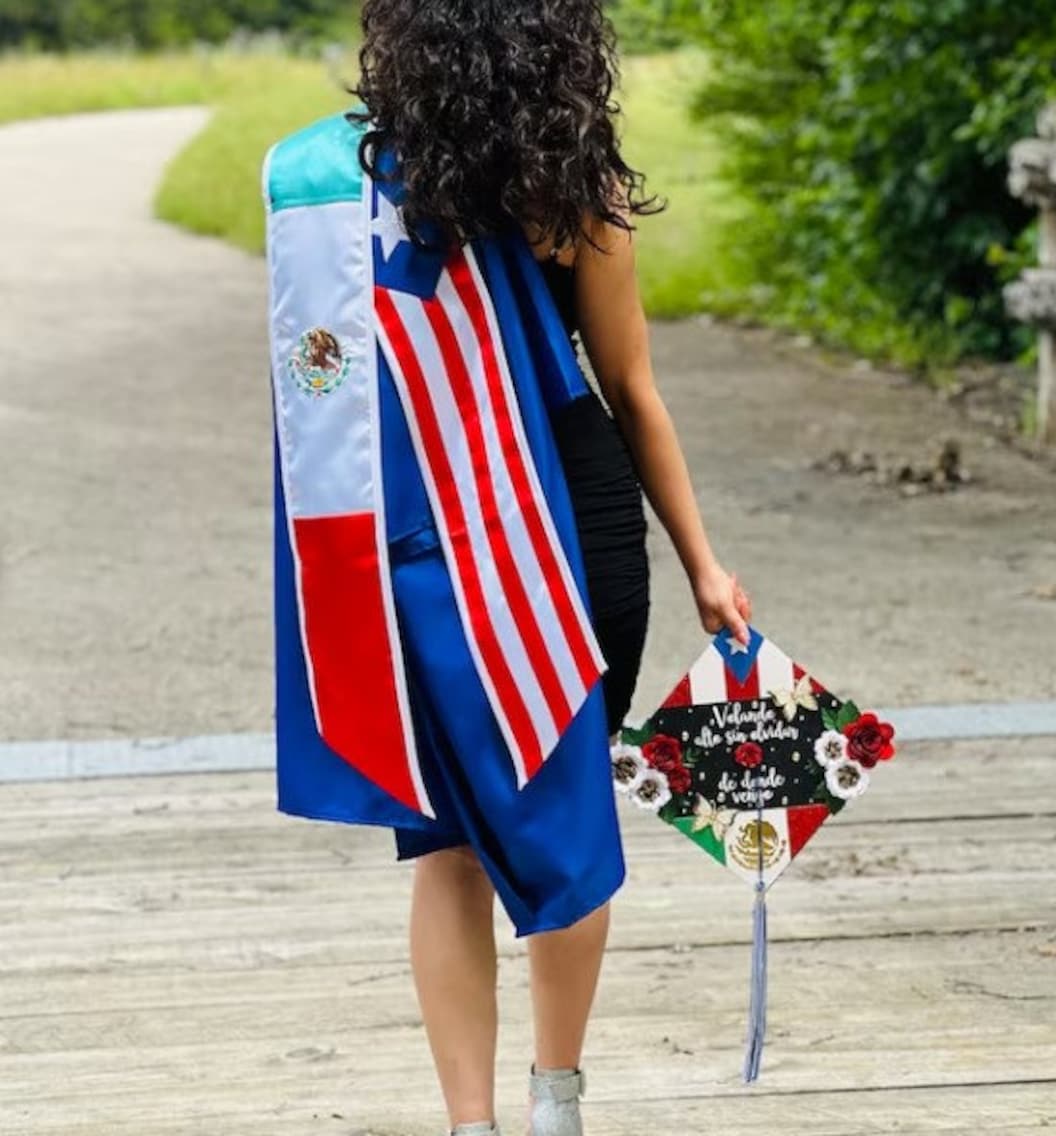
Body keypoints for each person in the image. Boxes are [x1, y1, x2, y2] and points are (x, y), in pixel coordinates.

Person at [265, 3, 752, 1134]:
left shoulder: (337, 192)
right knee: (565, 814)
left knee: (450, 845)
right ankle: (554, 1101)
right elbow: (632, 392)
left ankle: (471, 1121)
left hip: (411, 544)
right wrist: (704, 565)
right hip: (566, 539)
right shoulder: (568, 187)